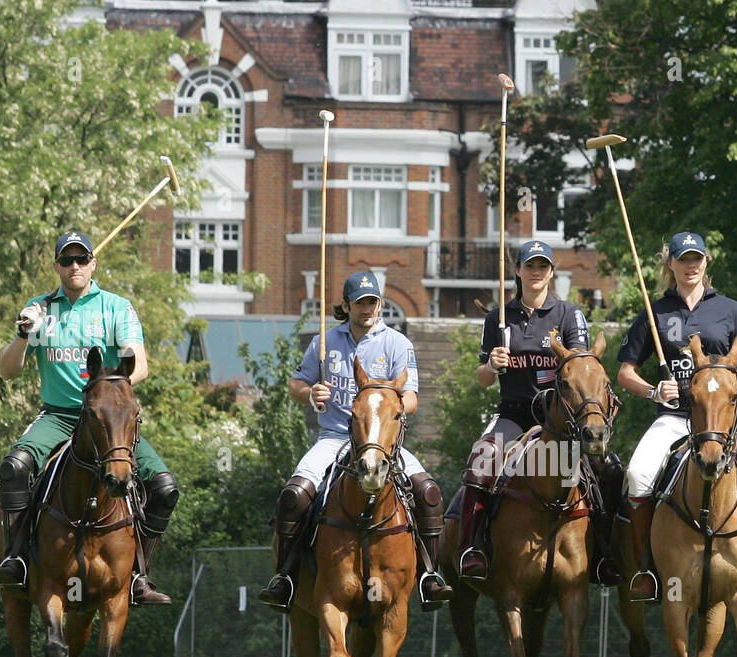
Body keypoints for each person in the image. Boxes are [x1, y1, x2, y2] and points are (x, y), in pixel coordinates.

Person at [0, 230, 177, 605]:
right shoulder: (40, 310)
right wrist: (24, 335)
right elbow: (7, 370)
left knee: (163, 488)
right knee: (14, 467)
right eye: (66, 260)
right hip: (58, 416)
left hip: (107, 421)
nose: (74, 266)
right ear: (57, 266)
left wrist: (109, 385)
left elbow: (139, 365)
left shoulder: (115, 307)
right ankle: (16, 560)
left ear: (93, 263)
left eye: (81, 259)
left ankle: (139, 574)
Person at [258, 270, 454, 612]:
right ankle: (285, 577)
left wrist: (391, 404)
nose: (367, 309)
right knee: (294, 494)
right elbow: (296, 384)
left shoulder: (397, 343)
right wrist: (311, 393)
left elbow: (412, 397)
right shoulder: (324, 341)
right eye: (360, 303)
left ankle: (429, 575)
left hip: (382, 443)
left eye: (373, 302)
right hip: (334, 436)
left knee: (429, 492)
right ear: (346, 306)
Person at [616, 231, 737, 605]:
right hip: (674, 420)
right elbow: (625, 372)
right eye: (683, 259)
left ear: (706, 262)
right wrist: (654, 391)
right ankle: (646, 568)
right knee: (637, 476)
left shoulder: (730, 309)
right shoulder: (655, 312)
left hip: (724, 425)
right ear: (671, 264)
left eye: (696, 259)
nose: (690, 265)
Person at [457, 239, 615, 580]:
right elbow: (482, 378)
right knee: (480, 463)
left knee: (603, 471)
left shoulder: (569, 314)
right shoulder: (499, 318)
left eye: (543, 267)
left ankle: (604, 554)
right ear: (518, 271)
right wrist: (494, 366)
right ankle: (471, 549)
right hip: (513, 416)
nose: (536, 272)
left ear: (552, 272)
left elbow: (582, 368)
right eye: (530, 266)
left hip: (558, 421)